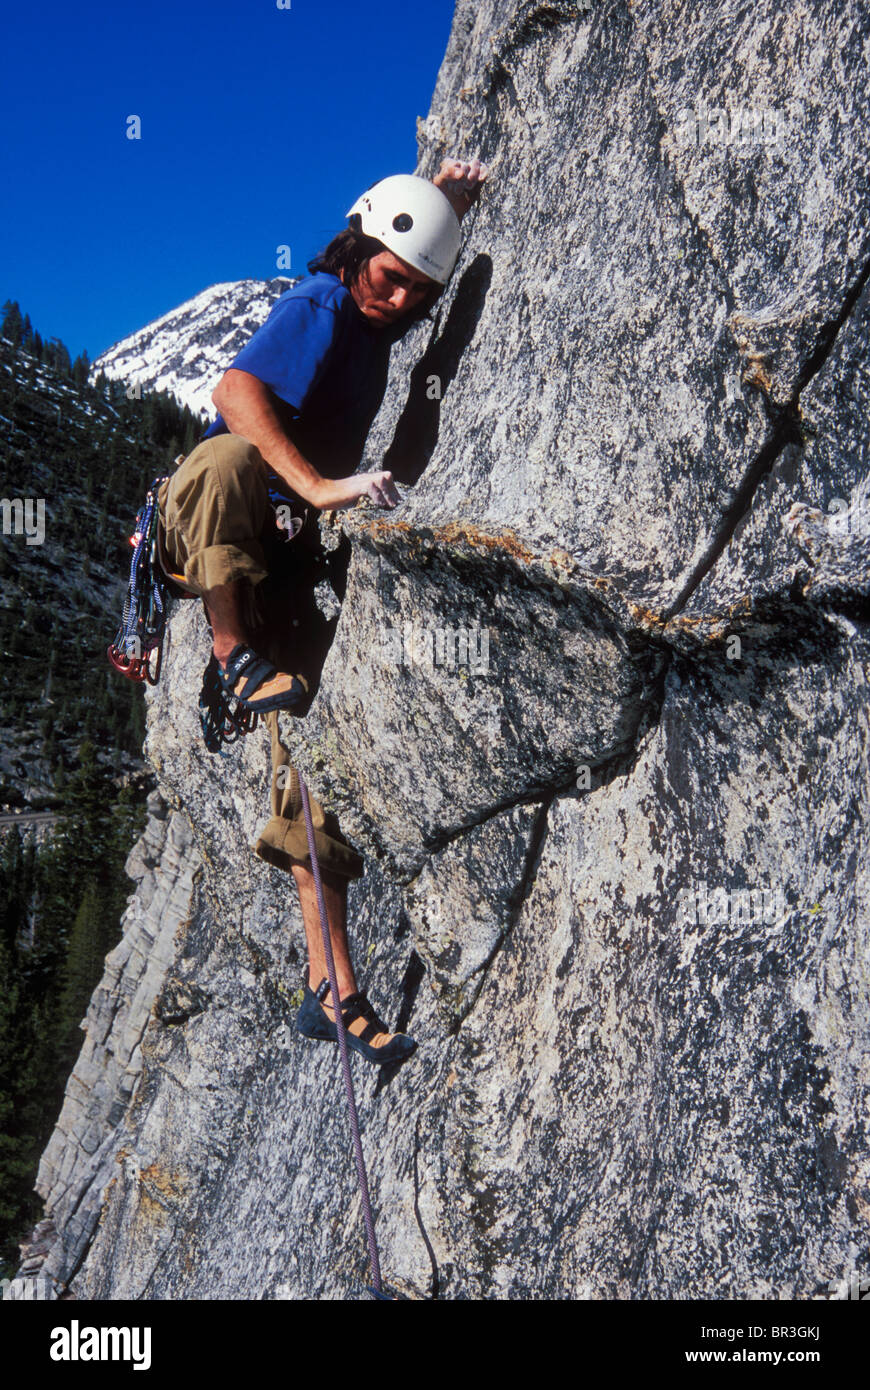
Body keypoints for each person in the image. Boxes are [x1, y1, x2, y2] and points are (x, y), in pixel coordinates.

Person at [156, 157, 488, 1064]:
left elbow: (405, 239)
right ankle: (230, 652)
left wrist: (442, 207)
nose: (398, 300)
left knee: (312, 769)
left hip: (285, 562)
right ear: (354, 253)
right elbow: (232, 395)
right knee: (228, 460)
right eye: (387, 277)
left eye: (418, 293)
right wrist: (317, 486)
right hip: (232, 524)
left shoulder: (376, 316)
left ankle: (329, 987)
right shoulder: (321, 304)